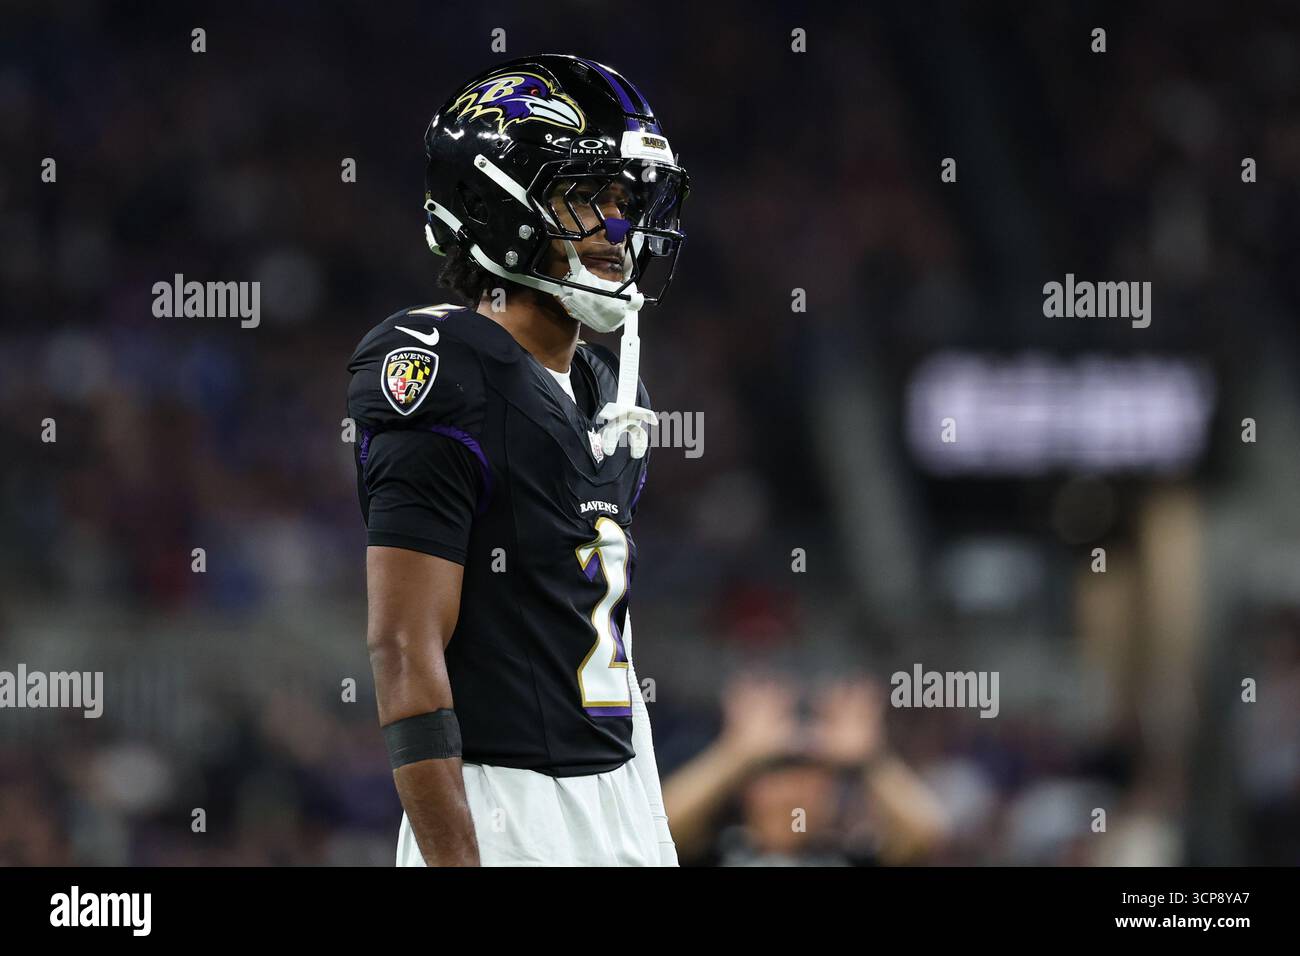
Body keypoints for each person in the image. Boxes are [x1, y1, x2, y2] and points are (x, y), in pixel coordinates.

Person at [346, 54, 689, 866]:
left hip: (619, 795)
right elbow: (402, 646)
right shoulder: (442, 366)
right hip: (507, 808)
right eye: (584, 196)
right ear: (495, 205)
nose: (617, 228)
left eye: (623, 199)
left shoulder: (604, 386)